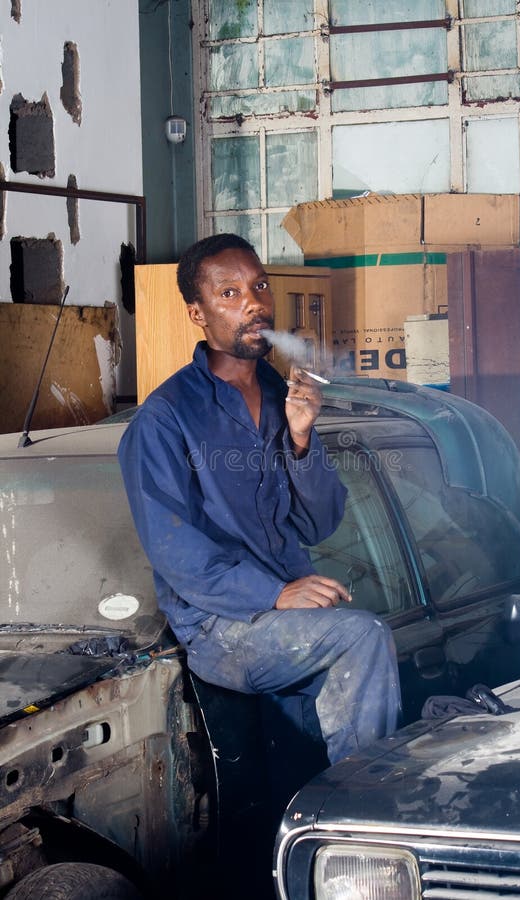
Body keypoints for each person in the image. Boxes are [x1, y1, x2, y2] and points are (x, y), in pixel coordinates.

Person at [118, 233, 402, 766]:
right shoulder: (164, 418)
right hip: (219, 626)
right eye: (228, 293)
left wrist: (300, 438)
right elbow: (177, 555)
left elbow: (321, 523)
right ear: (196, 314)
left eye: (259, 286)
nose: (253, 302)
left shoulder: (282, 397)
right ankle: (358, 821)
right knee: (362, 636)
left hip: (283, 615)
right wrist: (276, 593)